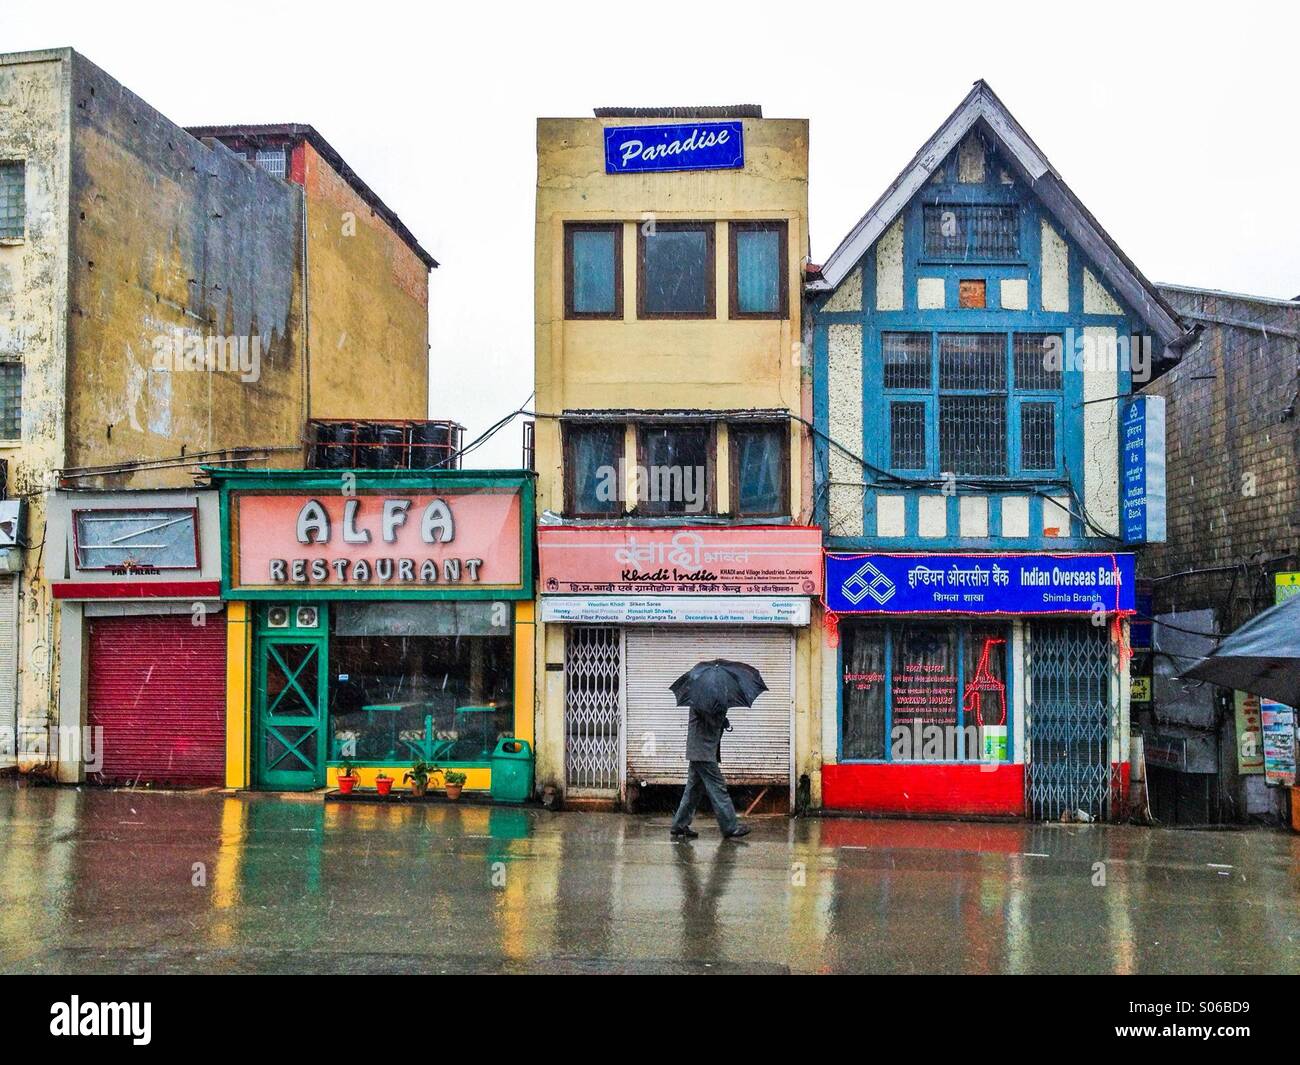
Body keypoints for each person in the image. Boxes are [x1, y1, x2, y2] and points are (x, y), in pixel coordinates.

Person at [670, 703, 750, 840]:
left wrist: (723, 718)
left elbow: (713, 719)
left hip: (700, 752)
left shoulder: (706, 697)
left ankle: (679, 825)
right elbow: (710, 720)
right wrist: (722, 717)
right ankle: (730, 827)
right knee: (718, 788)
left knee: (693, 790)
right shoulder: (701, 699)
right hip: (703, 753)